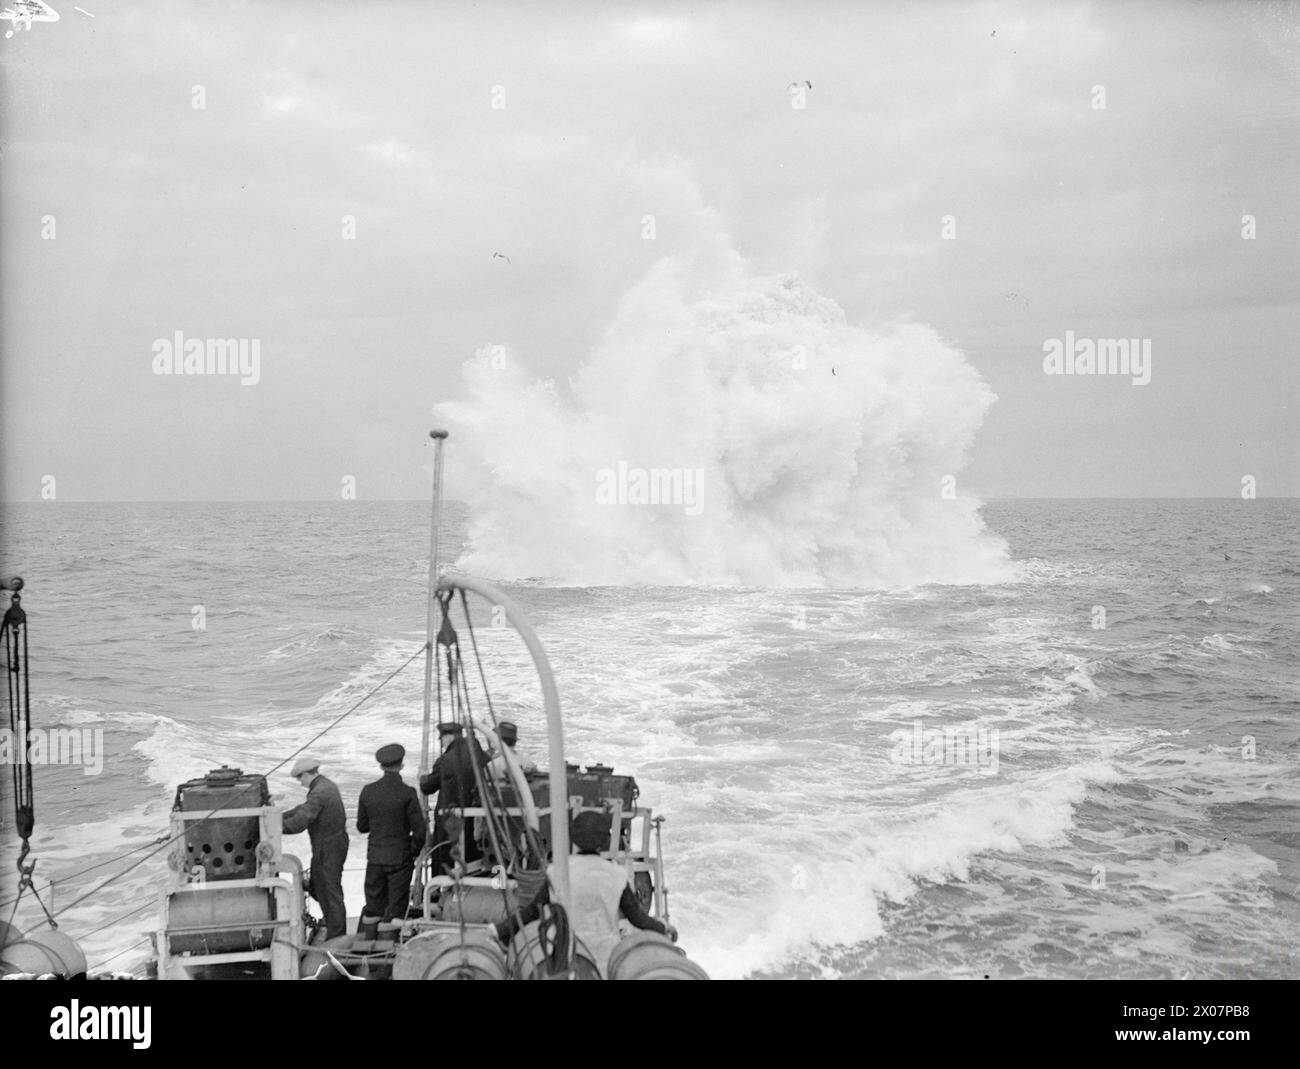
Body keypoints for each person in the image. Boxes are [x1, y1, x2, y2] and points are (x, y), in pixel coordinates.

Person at [493, 810, 677, 976]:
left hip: (568, 959)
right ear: (605, 841)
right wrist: (663, 927)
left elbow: (531, 912)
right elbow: (638, 918)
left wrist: (496, 930)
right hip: (606, 963)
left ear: (572, 839)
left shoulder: (557, 873)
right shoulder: (617, 875)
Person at [356, 743, 427, 925]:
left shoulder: (368, 791)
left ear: (381, 766)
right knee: (396, 907)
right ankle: (390, 945)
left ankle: (370, 944)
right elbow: (420, 831)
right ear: (401, 765)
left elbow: (362, 827)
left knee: (373, 906)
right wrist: (412, 851)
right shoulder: (408, 793)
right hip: (400, 858)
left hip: (375, 857)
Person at [281, 756, 348, 940]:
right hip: (328, 846)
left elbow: (300, 822)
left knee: (329, 891)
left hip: (329, 848)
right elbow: (301, 809)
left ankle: (337, 936)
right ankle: (334, 923)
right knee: (319, 886)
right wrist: (277, 817)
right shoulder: (324, 786)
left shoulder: (319, 792)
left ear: (306, 775)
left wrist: (275, 827)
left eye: (299, 778)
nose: (299, 782)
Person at [419, 722, 485, 869]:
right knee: (469, 851)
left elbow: (427, 787)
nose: (441, 743)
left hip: (448, 820)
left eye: (442, 738)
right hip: (472, 817)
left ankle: (438, 888)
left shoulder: (444, 760)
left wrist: (422, 777)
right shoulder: (476, 751)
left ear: (449, 737)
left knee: (443, 855)